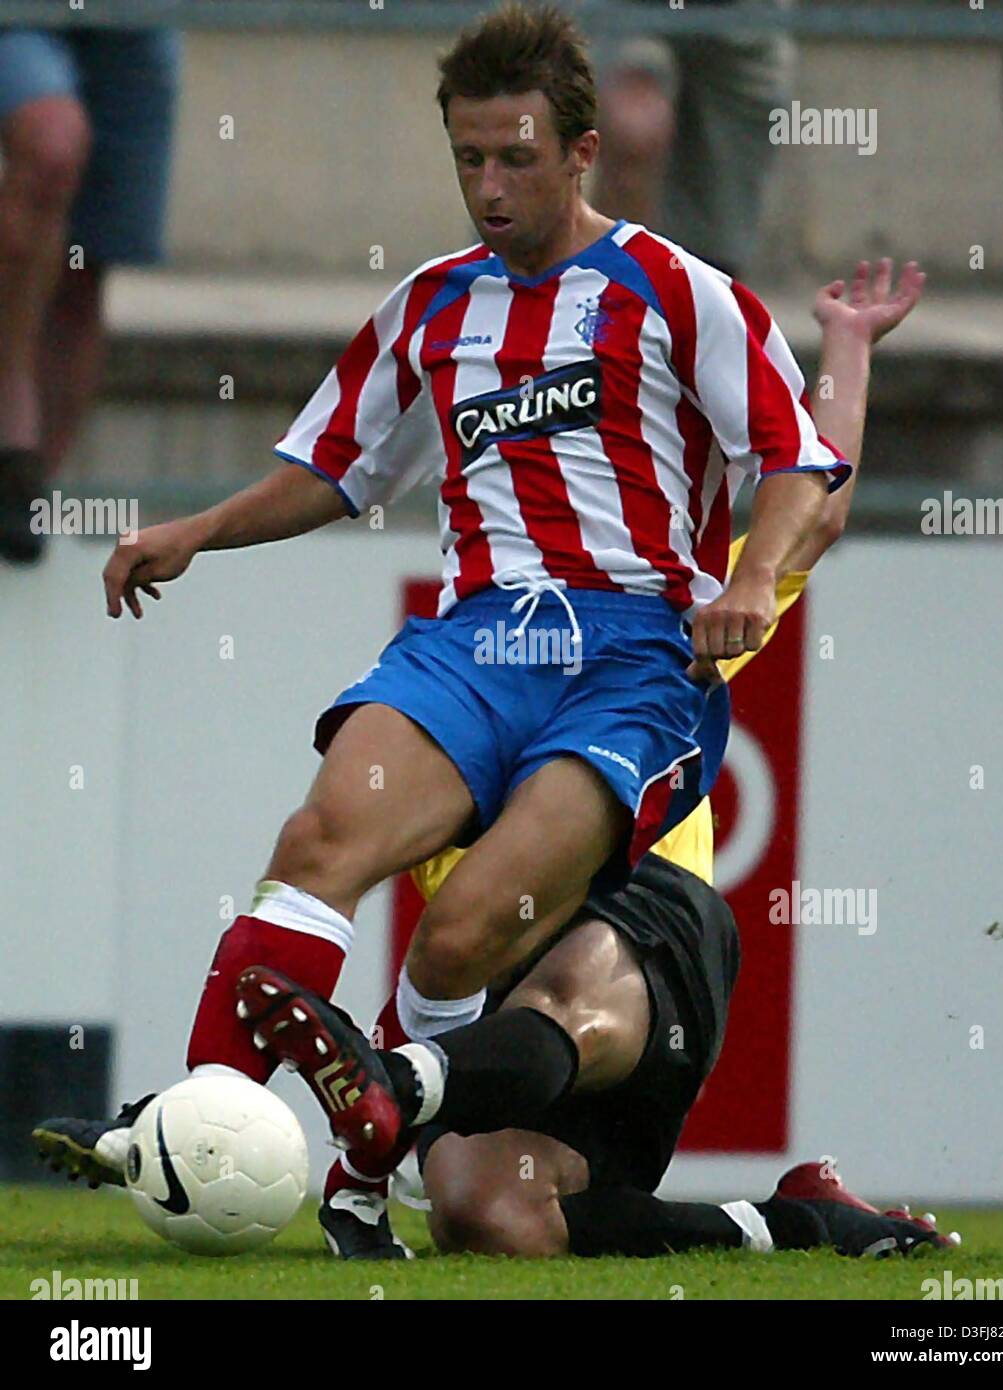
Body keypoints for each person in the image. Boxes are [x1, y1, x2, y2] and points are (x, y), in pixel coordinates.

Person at [35, 4, 846, 1179]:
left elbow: (798, 457)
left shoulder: (679, 290)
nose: (491, 185)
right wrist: (199, 532)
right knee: (320, 836)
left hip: (632, 662)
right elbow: (335, 466)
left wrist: (754, 577)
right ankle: (196, 1117)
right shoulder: (431, 305)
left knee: (464, 934)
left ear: (581, 151)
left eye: (517, 156)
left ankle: (372, 1163)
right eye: (470, 158)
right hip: (480, 642)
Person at [232, 261, 948, 1262]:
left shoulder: (663, 628)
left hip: (645, 916)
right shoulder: (444, 685)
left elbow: (814, 502)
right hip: (485, 1014)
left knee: (565, 992)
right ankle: (803, 1220)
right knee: (488, 1216)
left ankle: (393, 1087)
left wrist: (849, 343)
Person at [0, 20, 181, 563]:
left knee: (85, 270)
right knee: (52, 143)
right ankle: (11, 414)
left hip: (131, 20)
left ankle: (27, 498)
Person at [592, 0, 796, 278]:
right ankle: (612, 291)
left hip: (742, 18)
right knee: (633, 129)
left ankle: (691, 305)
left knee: (714, 249)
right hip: (632, 8)